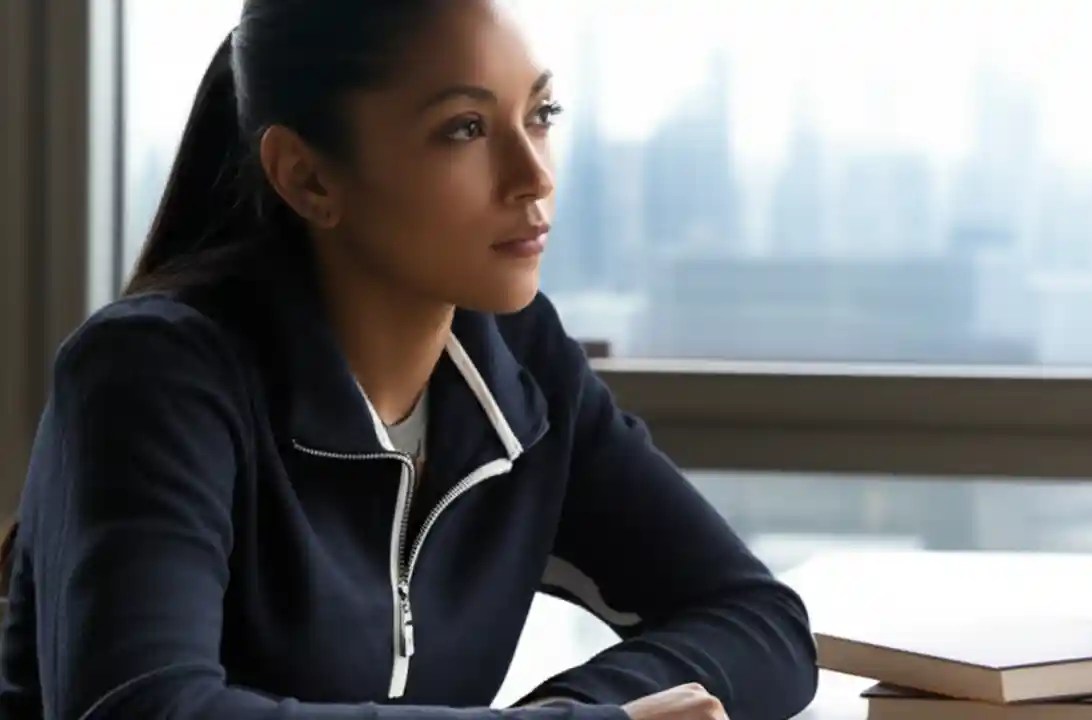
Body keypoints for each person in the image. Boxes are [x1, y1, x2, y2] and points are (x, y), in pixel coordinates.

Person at [0, 2, 819, 719]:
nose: (533, 176)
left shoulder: (518, 361)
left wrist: (579, 712)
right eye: (464, 128)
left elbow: (758, 621)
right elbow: (145, 709)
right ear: (309, 177)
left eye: (541, 113)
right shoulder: (153, 376)